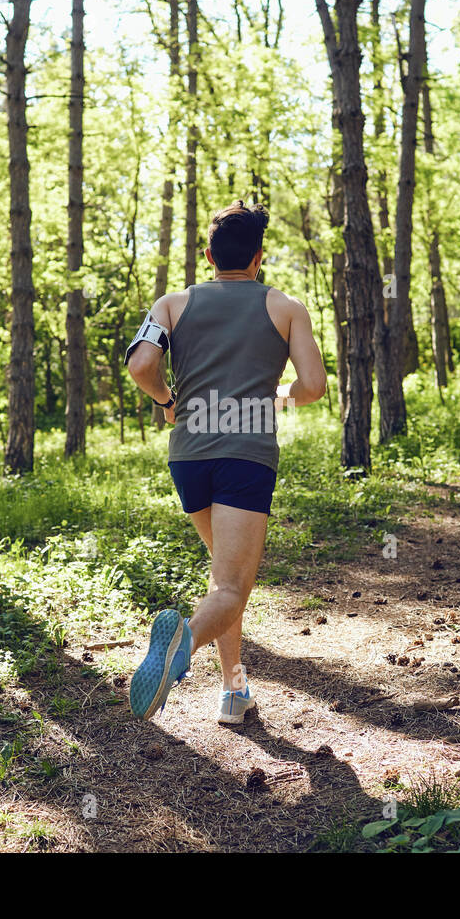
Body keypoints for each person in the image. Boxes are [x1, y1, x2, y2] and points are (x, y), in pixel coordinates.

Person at [124, 200, 327, 723]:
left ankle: (234, 692)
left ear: (210, 255)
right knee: (233, 588)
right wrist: (280, 396)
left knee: (224, 580)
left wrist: (167, 401)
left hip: (189, 456)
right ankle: (179, 651)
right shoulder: (285, 307)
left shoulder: (173, 304)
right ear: (258, 258)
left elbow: (142, 364)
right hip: (245, 455)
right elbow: (314, 386)